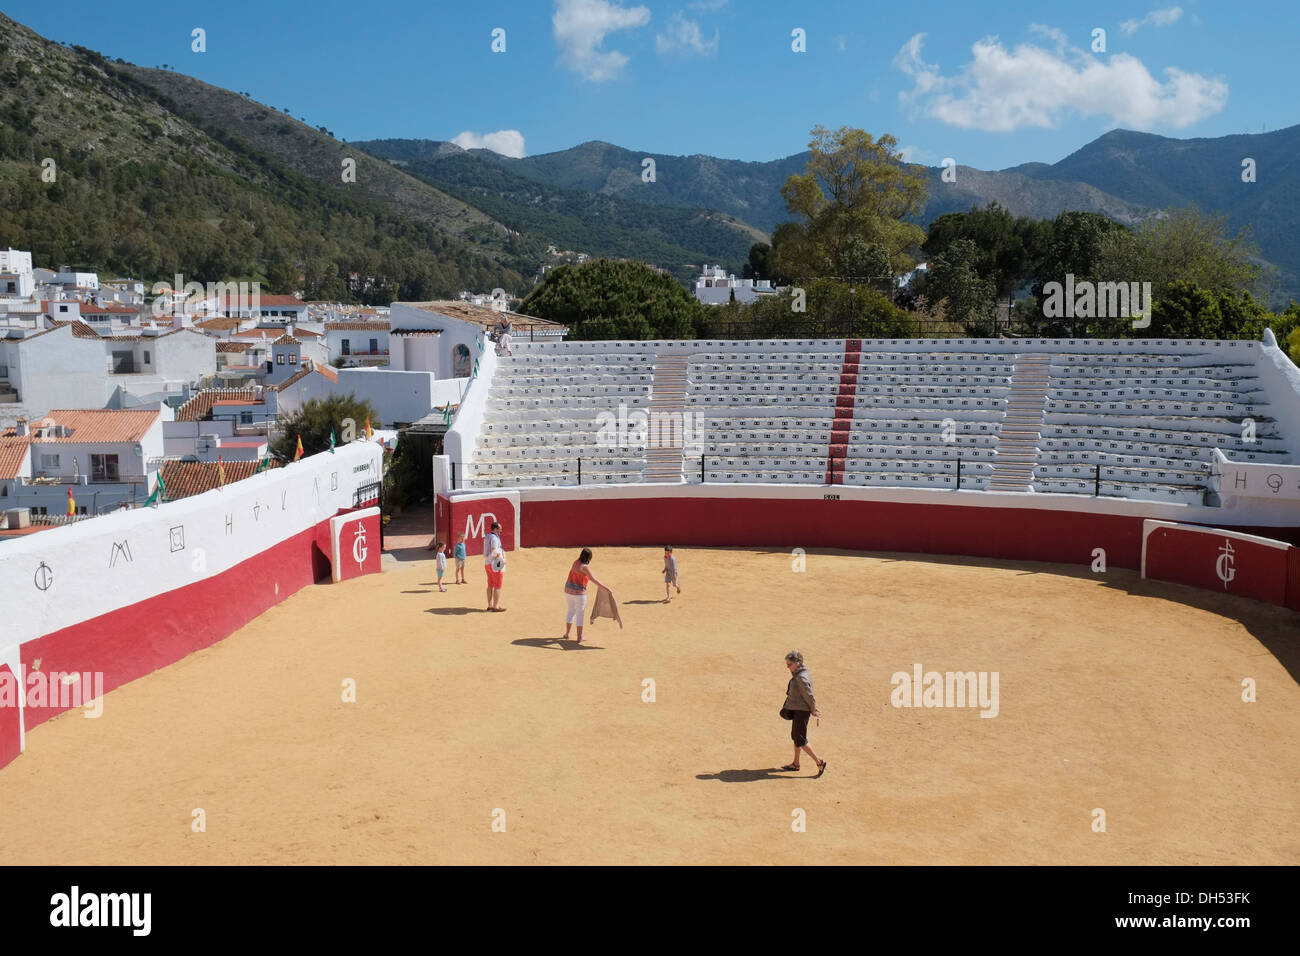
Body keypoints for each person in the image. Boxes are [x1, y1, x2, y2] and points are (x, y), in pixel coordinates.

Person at [780, 651, 827, 777]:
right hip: (797, 709)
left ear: (797, 663)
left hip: (802, 711)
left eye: (789, 665)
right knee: (796, 736)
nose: (788, 667)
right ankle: (796, 763)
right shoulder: (799, 673)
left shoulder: (801, 678)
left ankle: (819, 761)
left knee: (800, 739)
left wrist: (813, 709)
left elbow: (809, 695)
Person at [562, 547, 608, 643]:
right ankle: (579, 637)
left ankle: (567, 634)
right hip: (579, 594)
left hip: (568, 591)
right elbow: (593, 579)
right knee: (580, 614)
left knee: (570, 611)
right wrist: (606, 588)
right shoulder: (585, 567)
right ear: (589, 557)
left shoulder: (575, 562)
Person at [484, 521, 505, 611]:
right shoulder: (495, 539)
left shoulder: (487, 536)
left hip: (487, 563)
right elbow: (494, 550)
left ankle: (490, 605)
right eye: (500, 529)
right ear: (495, 529)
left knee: (490, 584)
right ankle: (496, 606)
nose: (501, 530)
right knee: (498, 585)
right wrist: (501, 559)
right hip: (495, 564)